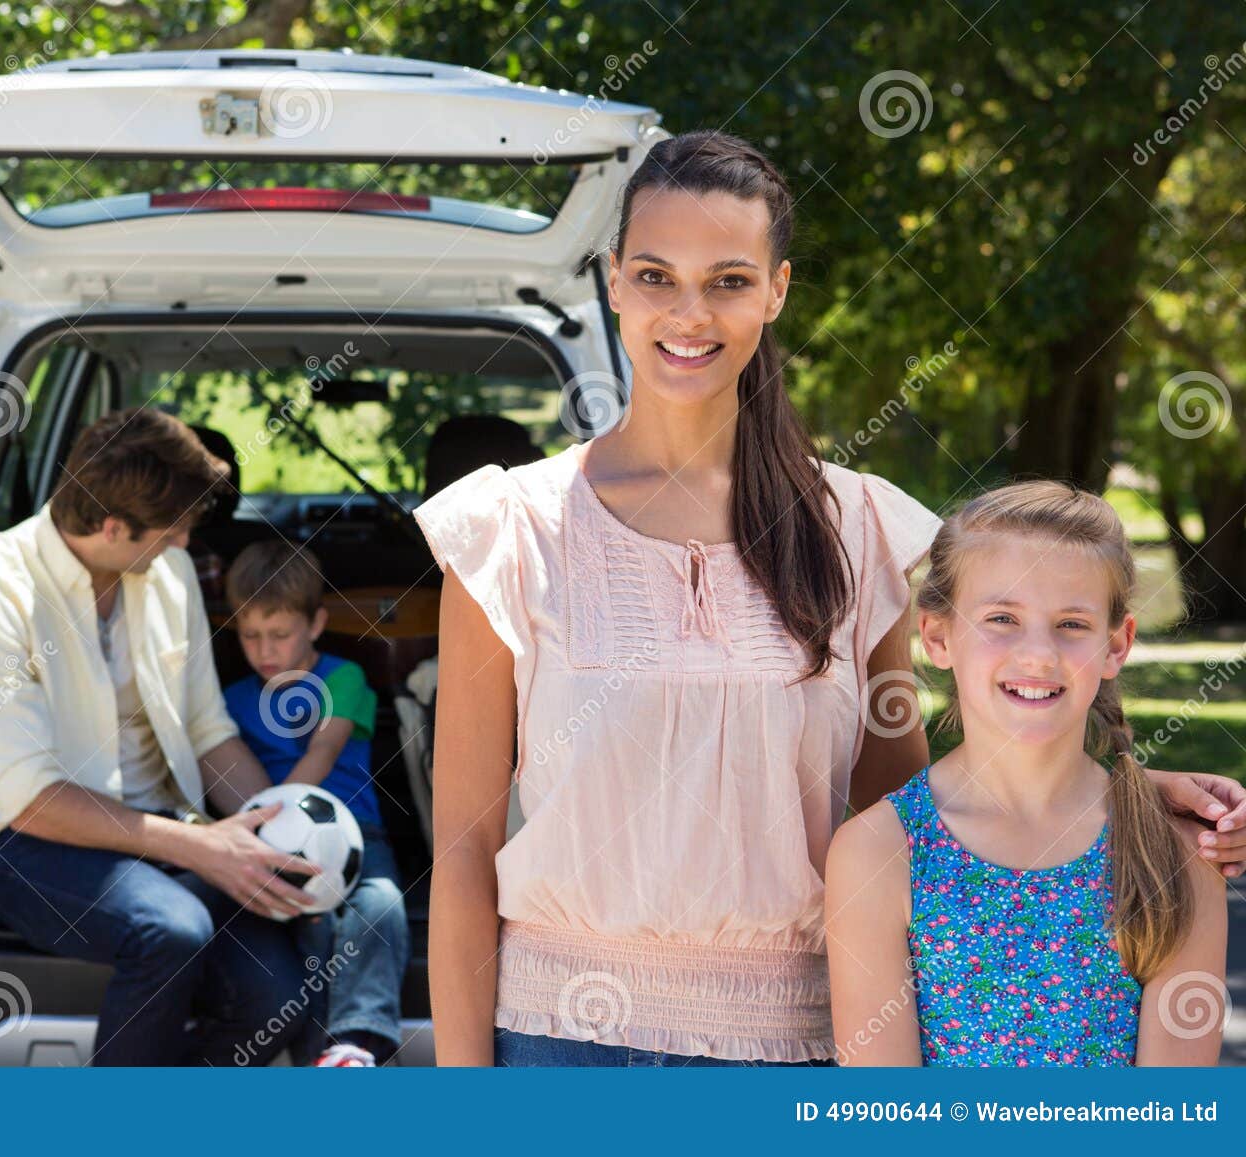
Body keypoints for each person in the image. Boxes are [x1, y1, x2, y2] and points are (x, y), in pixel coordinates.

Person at [415, 129, 1246, 1068]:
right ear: (612, 281)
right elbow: (462, 860)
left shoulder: (858, 529)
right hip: (560, 1053)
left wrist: (1118, 797)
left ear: (776, 291)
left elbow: (912, 813)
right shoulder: (508, 529)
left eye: (729, 279)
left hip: (806, 1057)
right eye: (656, 275)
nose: (690, 312)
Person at [0, 408, 322, 1067]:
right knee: (170, 928)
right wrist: (202, 847)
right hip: (21, 835)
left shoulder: (167, 574)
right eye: (174, 531)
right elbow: (31, 798)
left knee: (276, 996)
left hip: (164, 826)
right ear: (113, 527)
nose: (185, 544)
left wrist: (285, 823)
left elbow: (206, 731)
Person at [824, 481, 1227, 1066]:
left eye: (1071, 625)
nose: (1038, 654)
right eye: (1002, 617)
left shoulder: (1177, 851)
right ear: (937, 635)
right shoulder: (879, 852)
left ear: (1116, 645)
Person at [222, 540, 410, 1068]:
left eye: (279, 635)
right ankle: (320, 1056)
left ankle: (360, 1039)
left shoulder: (342, 678)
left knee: (381, 907)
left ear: (316, 624)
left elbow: (323, 752)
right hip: (272, 843)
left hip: (355, 836)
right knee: (313, 924)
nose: (264, 651)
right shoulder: (232, 699)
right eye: (249, 635)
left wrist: (284, 814)